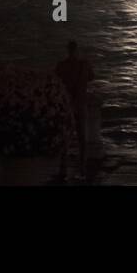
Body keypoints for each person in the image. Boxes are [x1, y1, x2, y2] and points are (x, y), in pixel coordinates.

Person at [55, 40, 95, 181]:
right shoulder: (84, 65)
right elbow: (92, 77)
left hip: (67, 106)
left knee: (65, 137)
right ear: (77, 50)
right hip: (80, 105)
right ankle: (82, 170)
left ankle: (63, 169)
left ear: (67, 50)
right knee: (81, 139)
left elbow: (55, 81)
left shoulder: (61, 66)